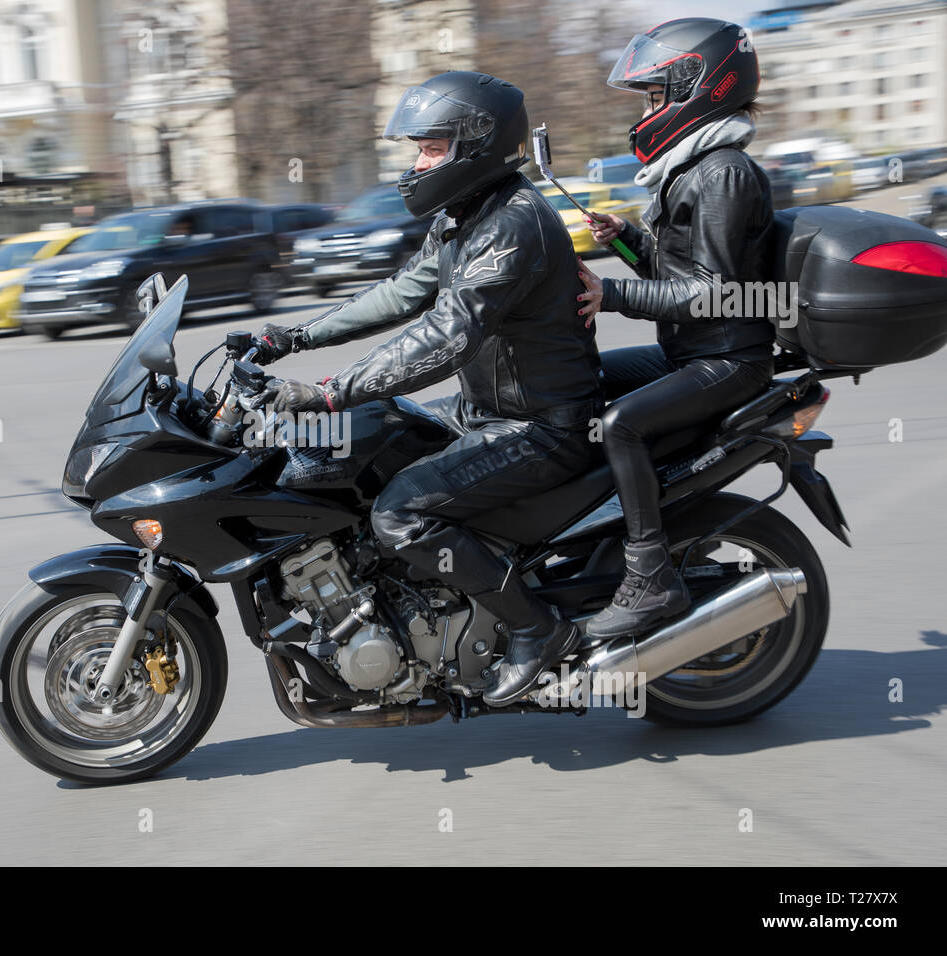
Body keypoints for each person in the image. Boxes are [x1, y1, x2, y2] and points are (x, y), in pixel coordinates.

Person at [254, 71, 604, 706]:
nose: (417, 163)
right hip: (488, 410)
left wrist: (331, 393)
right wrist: (295, 338)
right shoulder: (465, 213)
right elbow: (404, 291)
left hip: (542, 428)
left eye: (431, 148)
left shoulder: (512, 224)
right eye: (417, 148)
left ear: (478, 144)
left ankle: (534, 627)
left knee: (399, 511)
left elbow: (448, 335)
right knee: (372, 443)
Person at [576, 18, 778, 640]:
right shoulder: (693, 168)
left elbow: (712, 292)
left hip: (725, 360)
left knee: (621, 422)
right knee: (584, 378)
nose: (649, 110)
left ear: (702, 86)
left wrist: (611, 294)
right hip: (692, 349)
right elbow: (681, 267)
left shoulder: (723, 172)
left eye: (656, 95)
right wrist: (629, 242)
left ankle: (648, 574)